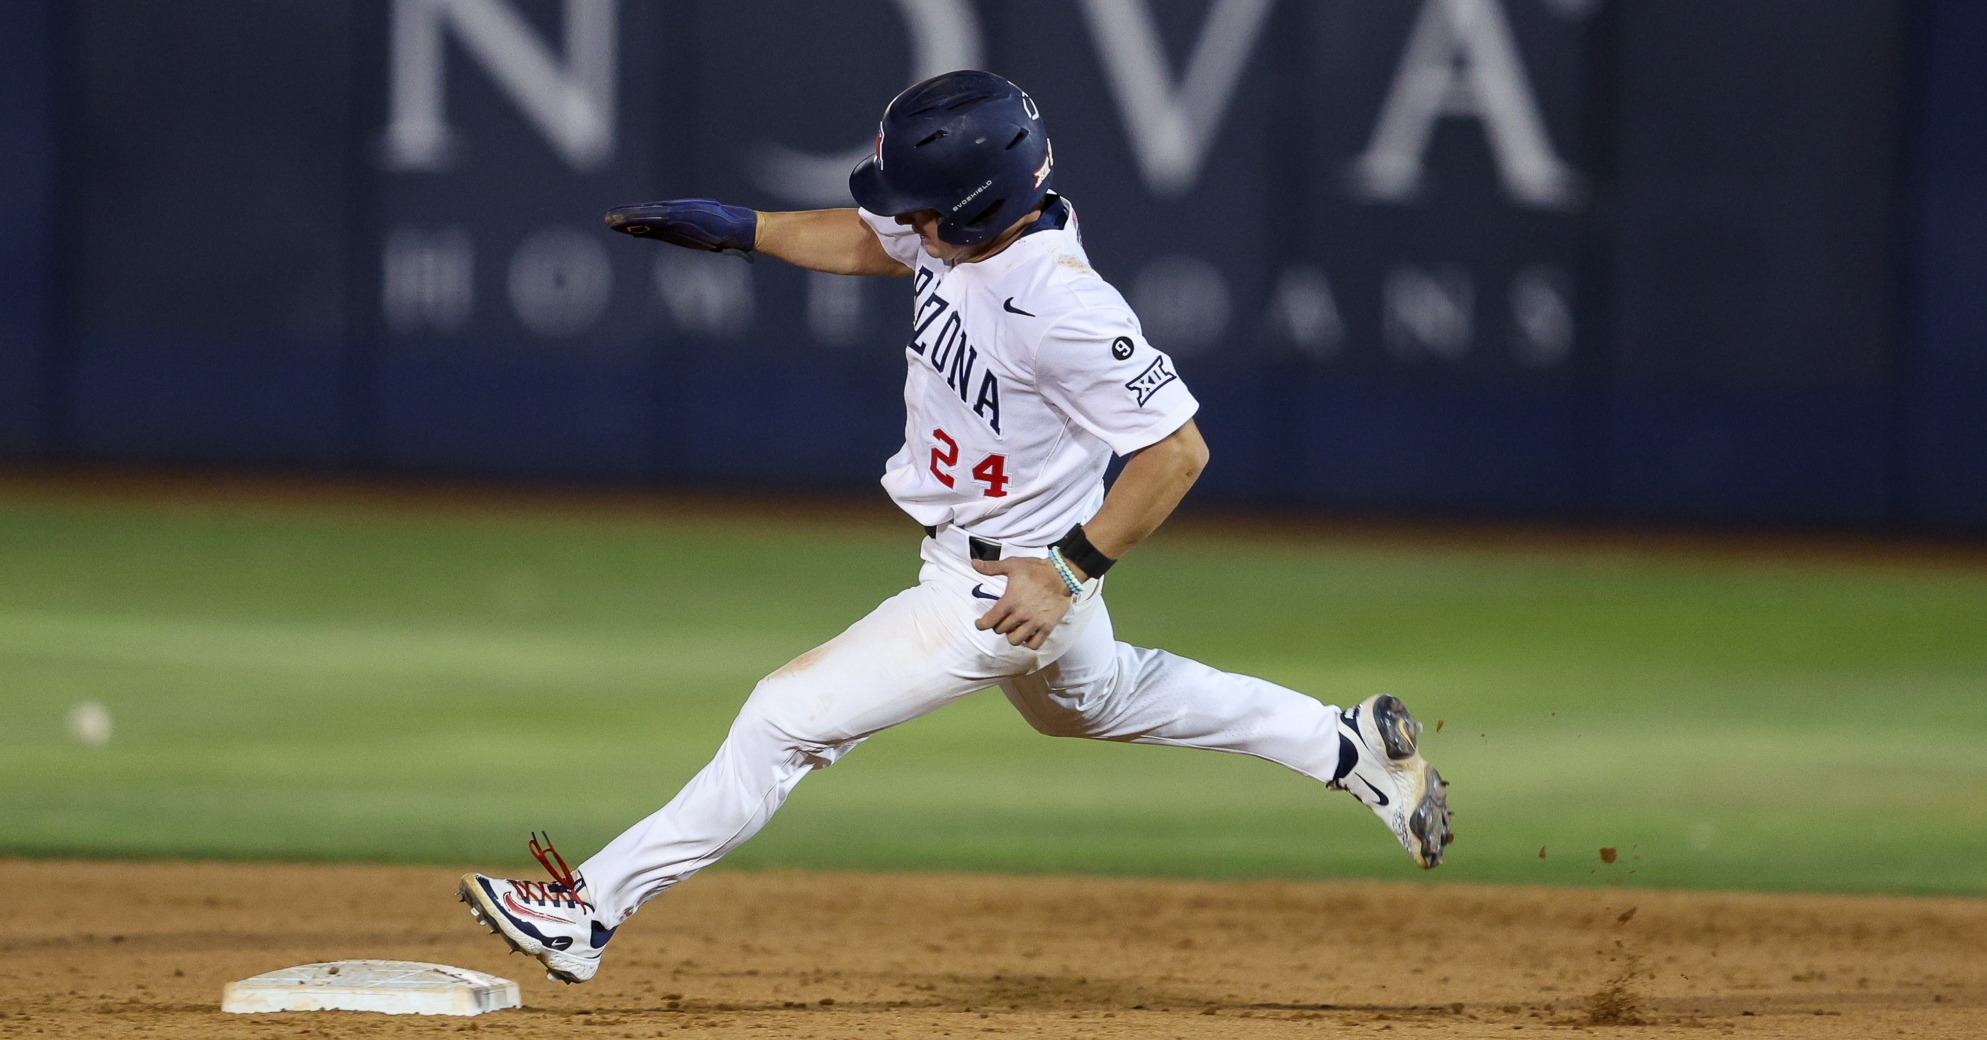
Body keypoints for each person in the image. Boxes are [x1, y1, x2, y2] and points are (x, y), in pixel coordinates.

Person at [459, 71, 1451, 985]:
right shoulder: (967, 231)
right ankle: (1343, 744)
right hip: (1007, 568)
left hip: (1003, 587)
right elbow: (868, 238)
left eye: (920, 206)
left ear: (978, 202)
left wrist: (1069, 570)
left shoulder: (1062, 305)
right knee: (1091, 701)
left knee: (780, 720)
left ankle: (589, 907)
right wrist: (744, 230)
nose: (903, 220)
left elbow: (1177, 452)